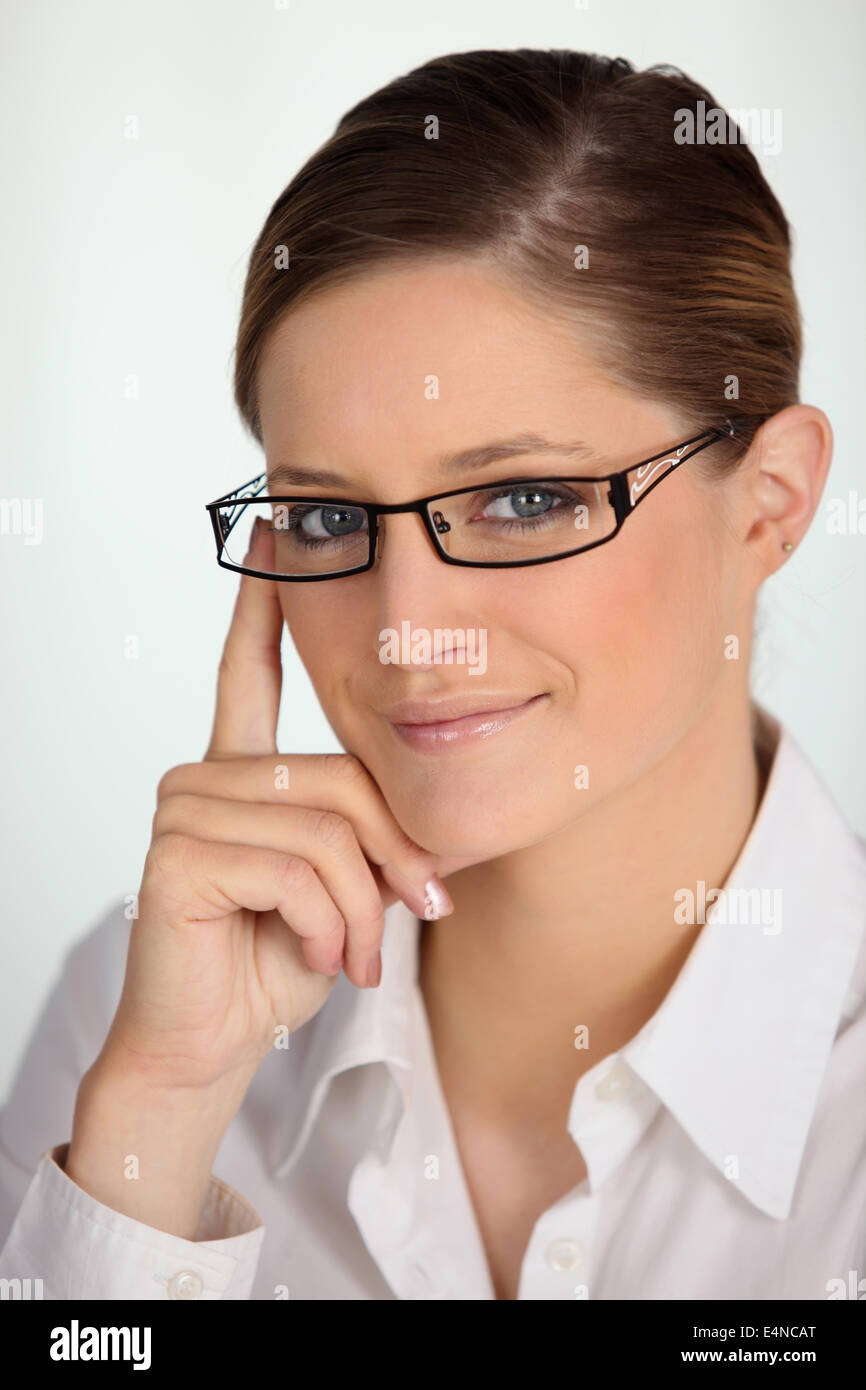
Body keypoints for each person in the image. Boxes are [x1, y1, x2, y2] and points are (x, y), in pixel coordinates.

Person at [1, 47, 864, 1302]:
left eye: (522, 497)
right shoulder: (144, 1011)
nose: (406, 630)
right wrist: (158, 1129)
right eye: (328, 518)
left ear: (770, 505)